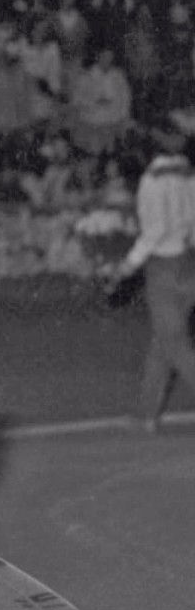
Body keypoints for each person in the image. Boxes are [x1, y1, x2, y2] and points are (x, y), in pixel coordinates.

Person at [112, 115, 195, 432]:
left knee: (173, 344)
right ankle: (146, 413)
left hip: (163, 267)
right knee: (163, 342)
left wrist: (128, 265)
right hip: (189, 262)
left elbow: (154, 230)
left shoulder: (152, 180)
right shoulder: (189, 175)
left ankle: (146, 414)